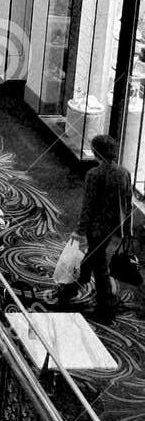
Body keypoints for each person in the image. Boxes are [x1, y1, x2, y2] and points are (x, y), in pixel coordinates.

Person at [58, 132, 131, 323]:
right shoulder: (124, 173)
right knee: (93, 263)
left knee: (98, 268)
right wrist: (127, 230)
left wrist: (80, 230)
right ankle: (67, 295)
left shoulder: (94, 174)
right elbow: (128, 203)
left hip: (97, 230)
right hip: (115, 229)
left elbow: (88, 206)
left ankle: (104, 311)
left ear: (95, 151)